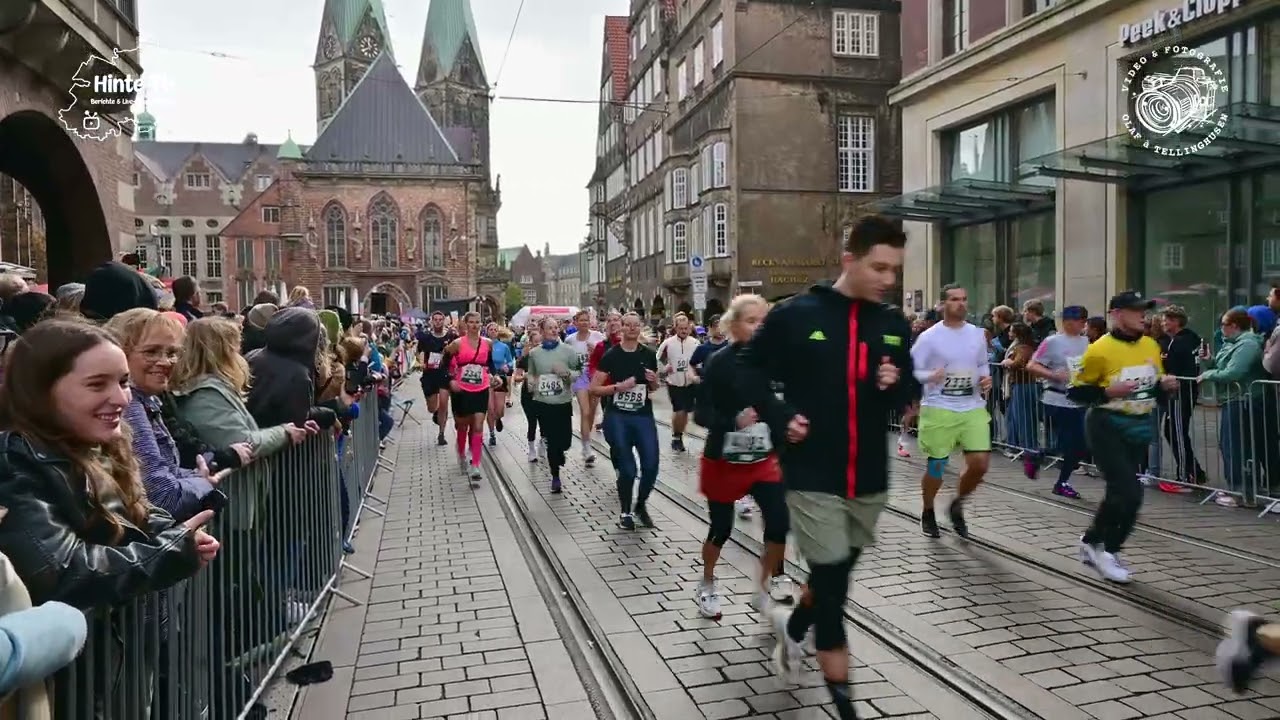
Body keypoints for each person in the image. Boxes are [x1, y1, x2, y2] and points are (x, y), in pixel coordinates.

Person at [735, 216, 913, 720]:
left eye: (894, 270)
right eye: (879, 267)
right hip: (812, 473)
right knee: (834, 587)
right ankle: (845, 705)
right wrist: (779, 415)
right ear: (849, 259)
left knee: (833, 575)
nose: (888, 279)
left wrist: (895, 384)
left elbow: (907, 395)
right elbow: (749, 370)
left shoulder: (892, 323)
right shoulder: (798, 314)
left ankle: (792, 630)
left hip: (869, 479)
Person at [0, 319, 220, 608]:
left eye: (123, 382)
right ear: (42, 390)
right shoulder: (14, 459)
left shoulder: (99, 442)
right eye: (96, 385)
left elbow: (132, 509)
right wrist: (170, 548)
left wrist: (174, 530)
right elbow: (63, 572)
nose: (121, 398)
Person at [1067, 291, 1179, 583]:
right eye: (1135, 310)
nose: (1143, 315)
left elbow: (1149, 388)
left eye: (1144, 310)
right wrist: (1107, 392)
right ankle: (1105, 550)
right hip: (1106, 424)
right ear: (1116, 314)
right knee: (1128, 490)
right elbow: (1076, 392)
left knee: (1124, 494)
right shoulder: (1099, 349)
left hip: (1138, 424)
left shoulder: (1151, 345)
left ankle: (1094, 543)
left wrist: (1164, 386)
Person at [693, 295, 793, 619]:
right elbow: (702, 413)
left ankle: (768, 582)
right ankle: (707, 583)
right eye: (752, 321)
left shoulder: (777, 360)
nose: (759, 327)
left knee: (779, 520)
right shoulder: (719, 362)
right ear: (733, 326)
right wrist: (733, 420)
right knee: (722, 528)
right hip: (724, 460)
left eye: (764, 321)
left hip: (764, 459)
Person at [910, 284, 992, 539]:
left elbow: (982, 364)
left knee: (980, 464)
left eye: (964, 299)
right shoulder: (929, 337)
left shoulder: (977, 334)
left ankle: (958, 504)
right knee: (937, 466)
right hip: (939, 408)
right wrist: (929, 375)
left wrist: (986, 379)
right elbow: (911, 370)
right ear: (943, 304)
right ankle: (927, 510)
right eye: (955, 299)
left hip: (972, 407)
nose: (961, 304)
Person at [590, 312, 661, 530]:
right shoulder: (612, 355)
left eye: (635, 325)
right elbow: (594, 388)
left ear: (640, 328)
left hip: (642, 416)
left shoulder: (648, 354)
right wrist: (617, 387)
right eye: (627, 325)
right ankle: (625, 512)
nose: (632, 329)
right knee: (628, 469)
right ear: (621, 328)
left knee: (651, 466)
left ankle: (640, 505)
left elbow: (654, 387)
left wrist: (654, 381)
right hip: (618, 417)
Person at [1024, 306, 1090, 498]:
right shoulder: (1051, 341)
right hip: (1056, 399)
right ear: (1068, 321)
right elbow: (1031, 365)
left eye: (1085, 320)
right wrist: (1052, 374)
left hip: (1079, 399)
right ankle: (1059, 480)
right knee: (1071, 442)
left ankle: (1039, 456)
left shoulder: (1087, 342)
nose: (1083, 323)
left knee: (1078, 444)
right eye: (1080, 320)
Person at [443, 311, 504, 482]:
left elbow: (490, 364)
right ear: (466, 324)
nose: (475, 325)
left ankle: (475, 463)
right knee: (462, 426)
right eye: (471, 322)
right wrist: (451, 381)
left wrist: (495, 375)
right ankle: (462, 452)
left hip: (481, 387)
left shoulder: (487, 344)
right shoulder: (456, 344)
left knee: (478, 425)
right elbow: (444, 365)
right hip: (462, 389)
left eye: (478, 322)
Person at [525, 317, 583, 492]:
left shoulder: (568, 351)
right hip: (543, 402)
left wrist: (565, 373)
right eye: (549, 328)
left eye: (556, 327)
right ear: (542, 332)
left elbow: (578, 373)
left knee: (564, 441)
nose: (554, 330)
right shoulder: (535, 354)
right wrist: (531, 383)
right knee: (550, 439)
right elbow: (531, 374)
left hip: (563, 401)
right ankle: (555, 476)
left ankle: (560, 452)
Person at [565, 310, 605, 466]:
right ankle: (587, 448)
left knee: (592, 414)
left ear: (590, 322)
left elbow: (605, 356)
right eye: (581, 320)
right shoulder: (570, 340)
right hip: (579, 377)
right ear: (575, 323)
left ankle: (585, 442)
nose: (584, 323)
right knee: (585, 411)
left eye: (586, 320)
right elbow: (567, 360)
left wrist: (594, 352)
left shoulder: (597, 337)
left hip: (595, 376)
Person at [657, 313, 701, 452]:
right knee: (679, 409)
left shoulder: (695, 343)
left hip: (689, 382)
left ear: (689, 328)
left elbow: (700, 360)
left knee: (686, 411)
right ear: (675, 328)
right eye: (680, 328)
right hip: (674, 382)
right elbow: (658, 358)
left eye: (686, 328)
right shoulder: (668, 343)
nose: (684, 331)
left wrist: (697, 373)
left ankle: (679, 434)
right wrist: (665, 368)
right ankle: (676, 437)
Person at [416, 311, 457, 446]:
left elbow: (457, 351)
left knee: (444, 404)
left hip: (445, 373)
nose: (438, 322)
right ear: (432, 321)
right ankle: (436, 413)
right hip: (429, 374)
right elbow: (421, 351)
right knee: (433, 407)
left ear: (444, 321)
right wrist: (422, 363)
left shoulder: (451, 336)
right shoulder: (425, 337)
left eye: (441, 319)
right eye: (436, 320)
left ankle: (441, 434)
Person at [514, 326, 545, 462]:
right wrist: (526, 375)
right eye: (535, 342)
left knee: (545, 421)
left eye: (540, 342)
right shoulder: (525, 359)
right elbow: (516, 378)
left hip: (544, 394)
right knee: (532, 422)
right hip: (528, 395)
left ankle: (543, 443)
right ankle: (531, 449)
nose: (538, 345)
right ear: (530, 343)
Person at [486, 323, 516, 446]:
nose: (493, 332)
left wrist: (507, 366)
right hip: (487, 378)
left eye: (495, 330)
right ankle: (492, 434)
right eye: (491, 330)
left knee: (499, 409)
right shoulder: (483, 345)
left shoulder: (504, 347)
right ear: (487, 331)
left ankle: (498, 418)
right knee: (490, 409)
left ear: (498, 332)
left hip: (500, 377)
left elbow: (510, 361)